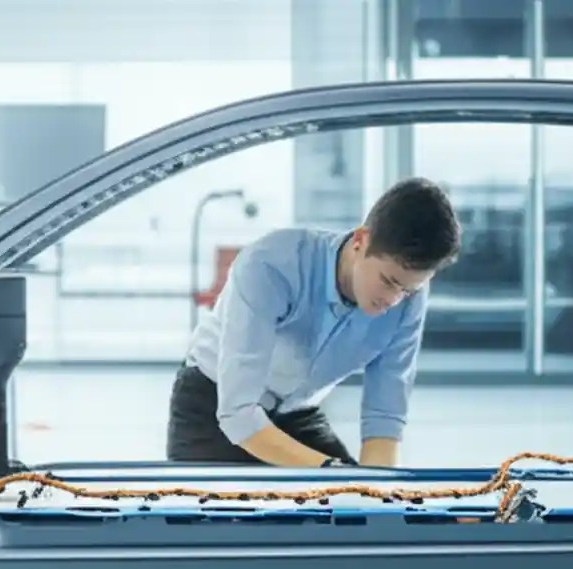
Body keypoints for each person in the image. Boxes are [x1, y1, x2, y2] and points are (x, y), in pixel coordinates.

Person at [167, 177, 460, 468]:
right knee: (223, 512)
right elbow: (238, 414)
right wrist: (330, 473)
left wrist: (378, 498)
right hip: (215, 404)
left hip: (296, 413)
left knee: (355, 508)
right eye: (388, 282)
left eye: (408, 290)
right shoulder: (270, 265)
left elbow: (384, 420)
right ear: (360, 241)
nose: (394, 300)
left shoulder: (409, 299)